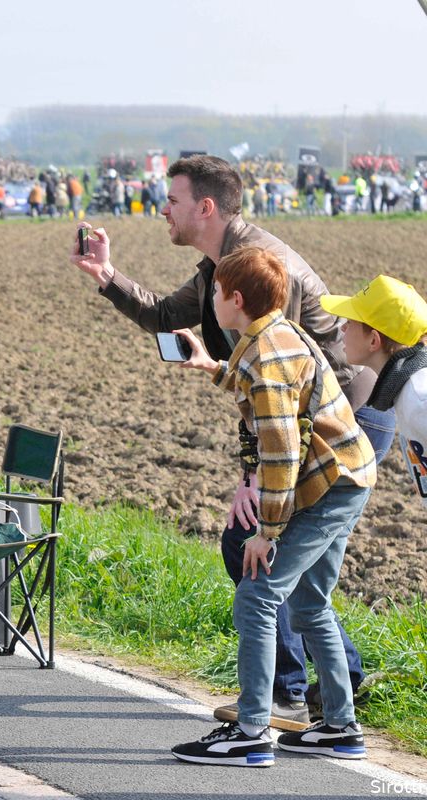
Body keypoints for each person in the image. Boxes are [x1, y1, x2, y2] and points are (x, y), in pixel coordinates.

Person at [69, 154, 394, 729]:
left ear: (206, 207)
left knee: (259, 552)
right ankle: (333, 689)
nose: (162, 209)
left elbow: (281, 391)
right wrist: (106, 276)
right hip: (303, 425)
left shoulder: (266, 270)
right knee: (293, 575)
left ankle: (288, 697)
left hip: (344, 425)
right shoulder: (221, 266)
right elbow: (169, 315)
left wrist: (255, 485)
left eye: (171, 200)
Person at [170, 246, 376, 767]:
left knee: (257, 598)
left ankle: (252, 731)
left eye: (215, 292)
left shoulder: (267, 356)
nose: (211, 299)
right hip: (347, 476)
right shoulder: (271, 335)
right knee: (309, 604)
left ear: (234, 299)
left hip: (328, 484)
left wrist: (266, 532)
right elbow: (261, 392)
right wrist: (209, 366)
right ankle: (340, 727)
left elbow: (281, 453)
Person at [322, 275, 427, 511]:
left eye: (351, 322)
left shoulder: (419, 400)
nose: (342, 327)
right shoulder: (407, 393)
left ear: (374, 341)